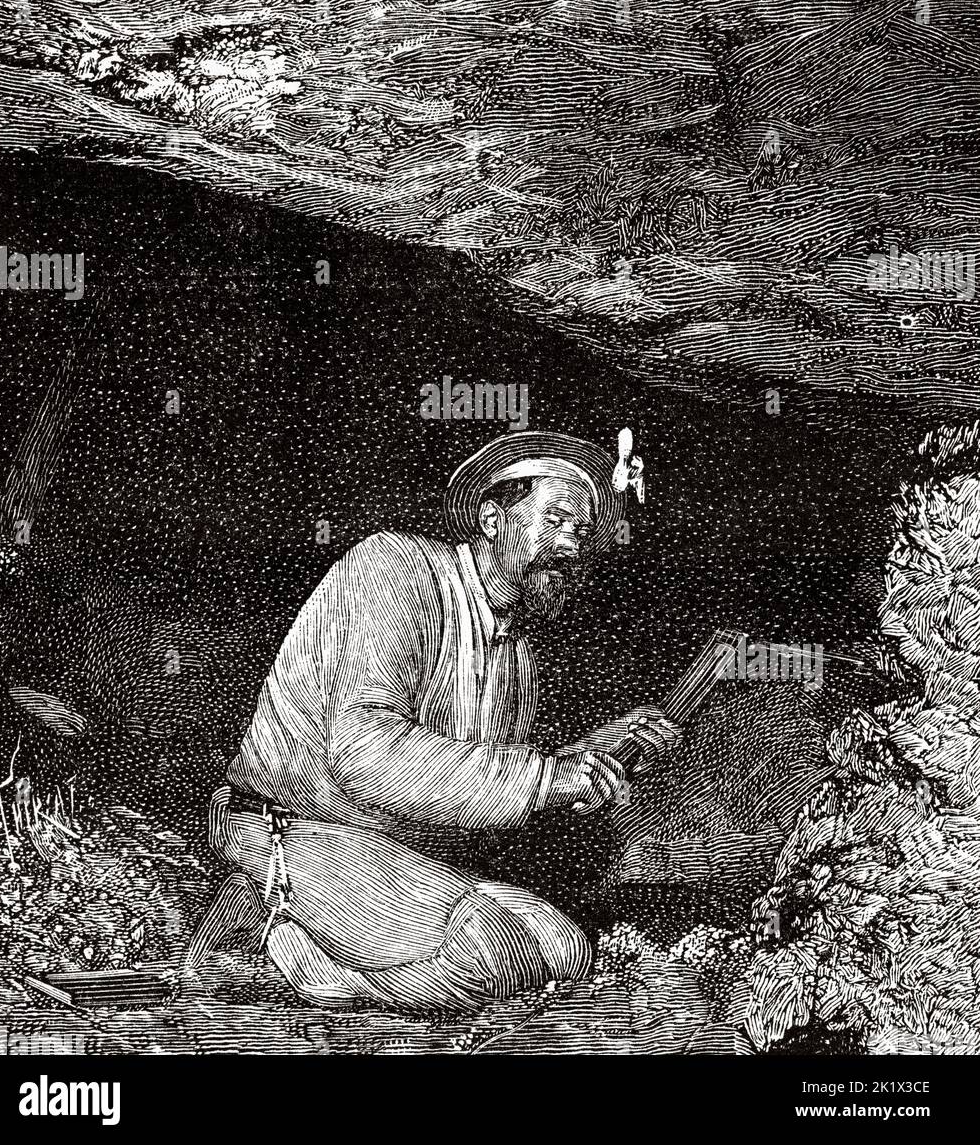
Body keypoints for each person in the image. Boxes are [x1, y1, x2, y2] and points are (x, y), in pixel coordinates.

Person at [183, 430, 680, 1010]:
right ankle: (275, 933)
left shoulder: (517, 648)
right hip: (293, 828)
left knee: (563, 947)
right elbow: (363, 757)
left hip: (395, 849)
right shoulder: (396, 570)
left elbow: (472, 787)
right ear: (494, 518)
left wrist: (594, 755)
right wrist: (548, 777)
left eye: (584, 532)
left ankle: (319, 946)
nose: (573, 547)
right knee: (494, 953)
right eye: (559, 519)